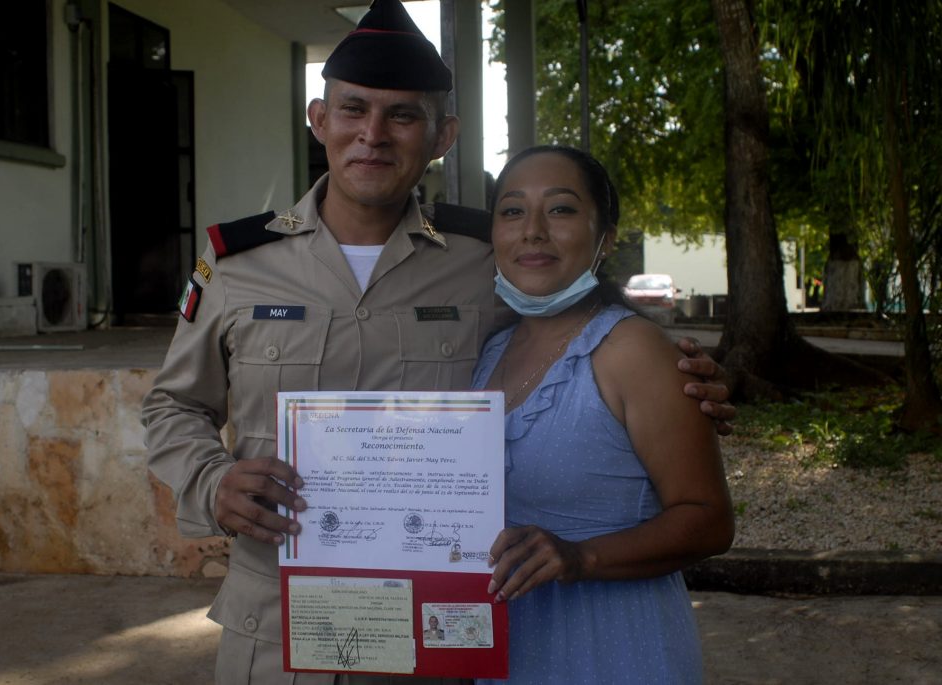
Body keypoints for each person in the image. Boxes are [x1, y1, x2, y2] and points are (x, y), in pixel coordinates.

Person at [142, 2, 734, 683]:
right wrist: (213, 481)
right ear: (318, 119)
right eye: (353, 110)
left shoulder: (485, 258)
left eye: (402, 115)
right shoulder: (236, 264)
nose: (373, 134)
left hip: (433, 630)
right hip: (277, 628)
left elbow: (579, 335)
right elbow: (171, 406)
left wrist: (688, 382)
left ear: (442, 134)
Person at [472, 145, 736, 684]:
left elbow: (709, 519)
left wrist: (581, 557)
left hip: (609, 646)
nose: (533, 231)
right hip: (501, 645)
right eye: (513, 211)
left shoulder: (632, 351)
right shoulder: (487, 352)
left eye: (562, 209)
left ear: (606, 237)